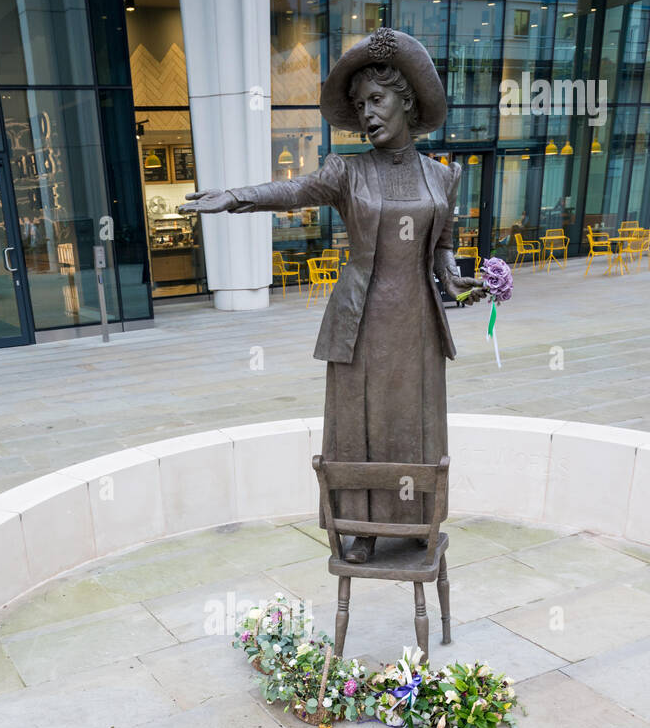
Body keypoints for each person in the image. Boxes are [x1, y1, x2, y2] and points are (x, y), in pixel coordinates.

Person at [180, 28, 483, 563]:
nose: (367, 113)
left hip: (416, 325)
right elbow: (295, 191)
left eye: (377, 100)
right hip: (361, 323)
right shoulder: (348, 171)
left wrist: (456, 280)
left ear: (406, 102)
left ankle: (415, 519)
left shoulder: (442, 177)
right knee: (361, 426)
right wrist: (235, 196)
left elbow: (443, 251)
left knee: (411, 423)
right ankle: (362, 527)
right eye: (359, 104)